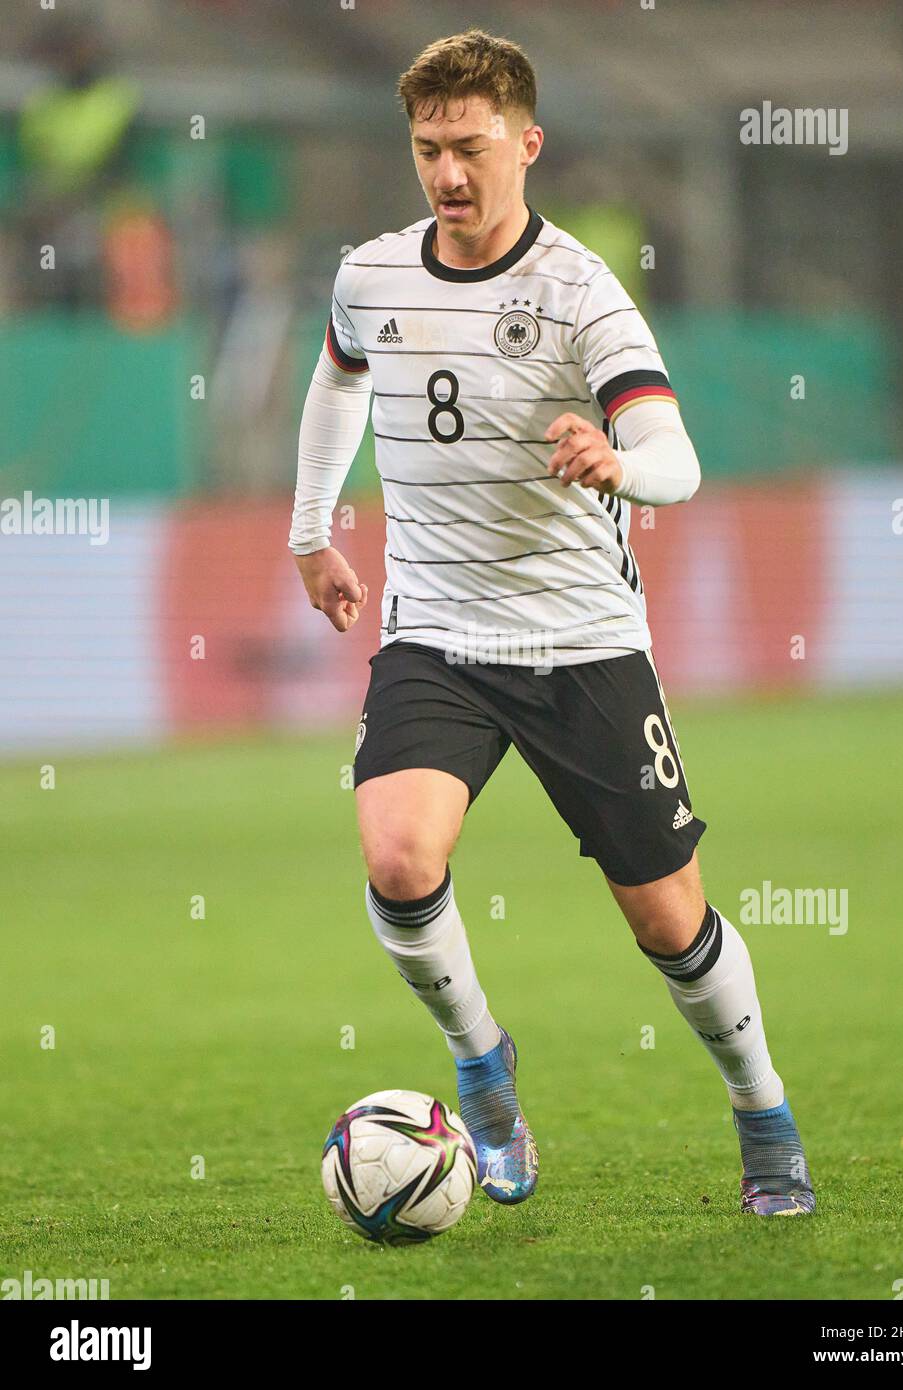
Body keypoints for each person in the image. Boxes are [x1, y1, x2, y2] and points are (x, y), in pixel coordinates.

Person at [289, 29, 814, 1217]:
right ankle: (482, 1067)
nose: (446, 174)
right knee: (396, 857)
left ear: (525, 144)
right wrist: (310, 528)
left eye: (468, 147)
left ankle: (759, 1108)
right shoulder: (370, 275)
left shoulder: (580, 291)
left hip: (579, 644)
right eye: (426, 149)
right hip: (435, 637)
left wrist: (619, 466)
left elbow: (675, 452)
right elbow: (337, 378)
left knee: (667, 917)